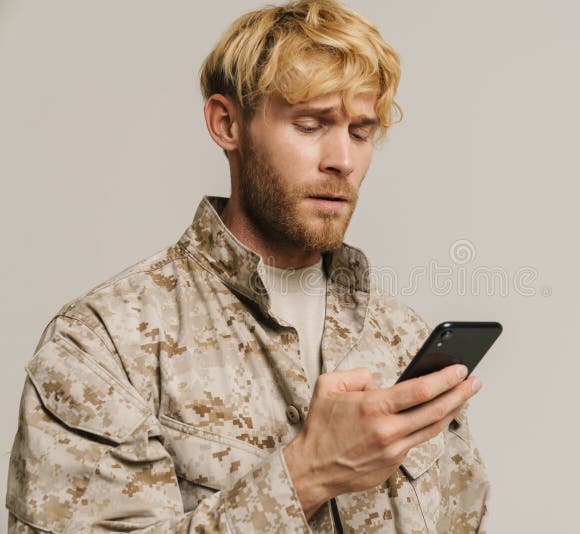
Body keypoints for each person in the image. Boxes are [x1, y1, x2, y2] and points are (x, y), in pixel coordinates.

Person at [6, 1, 490, 532]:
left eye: (360, 132)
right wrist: (306, 475)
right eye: (310, 124)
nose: (343, 160)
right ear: (226, 124)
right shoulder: (104, 343)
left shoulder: (403, 339)